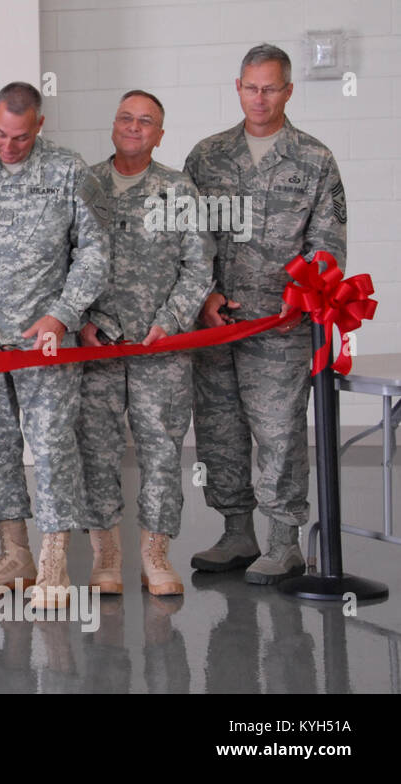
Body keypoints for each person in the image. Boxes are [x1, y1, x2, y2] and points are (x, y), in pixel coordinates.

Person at [0, 82, 111, 610]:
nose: (9, 145)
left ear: (39, 124)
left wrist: (62, 313)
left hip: (46, 342)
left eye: (20, 136)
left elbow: (95, 251)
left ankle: (55, 563)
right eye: (0, 133)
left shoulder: (68, 170)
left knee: (53, 447)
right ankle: (15, 555)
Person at [186, 43, 348, 584]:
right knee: (219, 429)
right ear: (238, 88)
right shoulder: (206, 156)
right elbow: (187, 239)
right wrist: (203, 293)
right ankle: (237, 532)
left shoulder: (314, 159)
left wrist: (302, 292)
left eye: (271, 87)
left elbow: (327, 244)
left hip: (281, 326)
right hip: (217, 324)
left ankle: (284, 541)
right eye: (251, 87)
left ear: (289, 90)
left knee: (278, 433)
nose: (260, 98)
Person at [77, 90, 214, 596]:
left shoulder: (179, 190)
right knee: (97, 450)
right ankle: (105, 556)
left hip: (163, 346)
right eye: (126, 119)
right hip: (97, 345)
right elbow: (64, 259)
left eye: (146, 122)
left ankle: (156, 555)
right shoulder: (85, 185)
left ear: (160, 133)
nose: (134, 128)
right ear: (114, 125)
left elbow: (198, 267)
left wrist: (173, 320)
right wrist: (83, 319)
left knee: (160, 450)